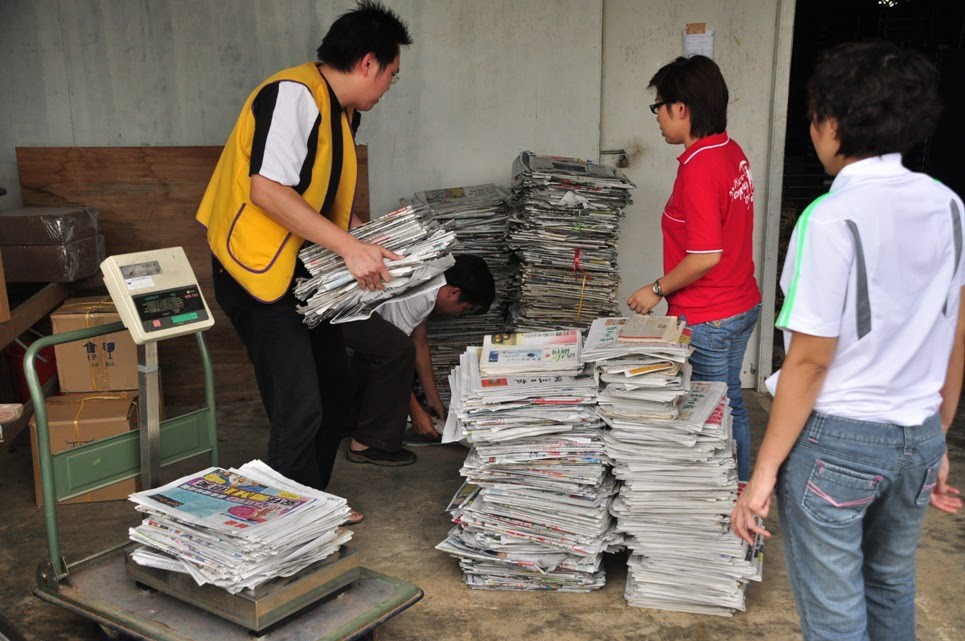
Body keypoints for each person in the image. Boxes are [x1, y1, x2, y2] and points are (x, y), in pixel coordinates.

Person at [730, 41, 964, 641]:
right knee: (891, 584)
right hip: (917, 435)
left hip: (839, 442)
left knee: (835, 615)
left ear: (831, 123)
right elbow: (954, 329)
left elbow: (810, 361)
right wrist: (938, 434)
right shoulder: (949, 206)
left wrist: (762, 475)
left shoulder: (829, 218)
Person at [195, 1, 412, 523]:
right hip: (253, 271)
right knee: (298, 404)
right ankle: (288, 521)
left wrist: (364, 234)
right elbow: (268, 190)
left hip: (298, 273)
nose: (390, 86)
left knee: (333, 394)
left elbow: (317, 191)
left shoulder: (342, 112)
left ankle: (309, 504)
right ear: (368, 63)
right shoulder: (293, 95)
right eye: (392, 74)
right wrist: (348, 248)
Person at [626, 55, 762, 482]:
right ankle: (739, 489)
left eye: (659, 107)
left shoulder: (700, 169)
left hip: (711, 315)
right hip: (740, 303)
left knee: (711, 411)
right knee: (730, 401)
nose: (657, 118)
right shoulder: (730, 151)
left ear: (681, 108)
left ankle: (725, 497)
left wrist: (655, 290)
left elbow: (705, 255)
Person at [341, 254, 495, 465]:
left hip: (352, 307)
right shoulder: (421, 296)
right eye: (464, 309)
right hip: (338, 308)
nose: (457, 314)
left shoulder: (430, 282)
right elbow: (395, 357)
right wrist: (417, 414)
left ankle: (349, 420)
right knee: (395, 351)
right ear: (454, 293)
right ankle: (368, 444)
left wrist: (433, 399)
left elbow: (419, 342)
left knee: (387, 348)